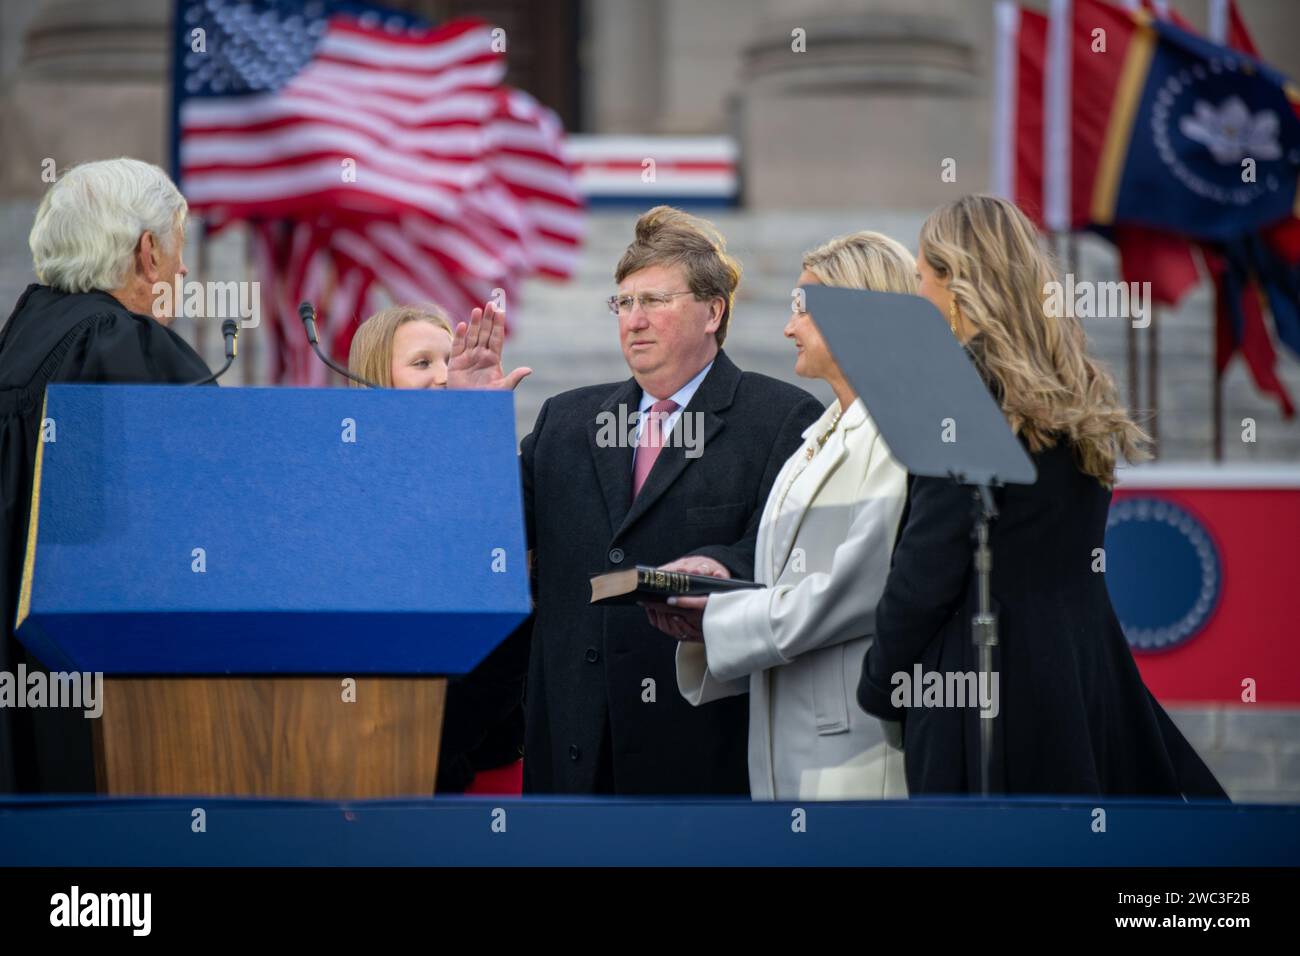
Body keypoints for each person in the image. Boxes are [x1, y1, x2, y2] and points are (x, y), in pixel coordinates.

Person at [854, 194, 1227, 798]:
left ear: (956, 283)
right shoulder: (1074, 382)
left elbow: (927, 570)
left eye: (922, 279)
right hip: (1081, 674)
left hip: (984, 693)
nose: (918, 297)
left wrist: (878, 685)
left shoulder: (956, 392)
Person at [518, 206, 824, 794]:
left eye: (654, 301)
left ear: (714, 312)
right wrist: (464, 422)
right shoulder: (565, 420)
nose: (633, 320)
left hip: (698, 749)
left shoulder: (780, 419)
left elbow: (780, 553)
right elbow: (496, 533)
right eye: (623, 303)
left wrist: (717, 569)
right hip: (572, 753)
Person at [643, 232, 915, 800]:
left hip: (855, 751)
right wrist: (709, 605)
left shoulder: (898, 435)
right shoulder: (818, 435)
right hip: (786, 739)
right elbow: (783, 581)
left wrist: (719, 623)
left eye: (802, 309)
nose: (788, 327)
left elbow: (857, 590)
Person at [0, 157, 211, 793]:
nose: (181, 271)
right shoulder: (124, 348)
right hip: (105, 709)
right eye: (177, 252)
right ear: (147, 252)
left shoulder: (19, 338)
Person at [346, 301, 530, 794]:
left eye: (450, 359)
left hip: (481, 763)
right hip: (369, 754)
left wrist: (479, 434)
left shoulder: (490, 471)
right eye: (422, 363)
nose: (445, 376)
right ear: (374, 378)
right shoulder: (339, 485)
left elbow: (510, 630)